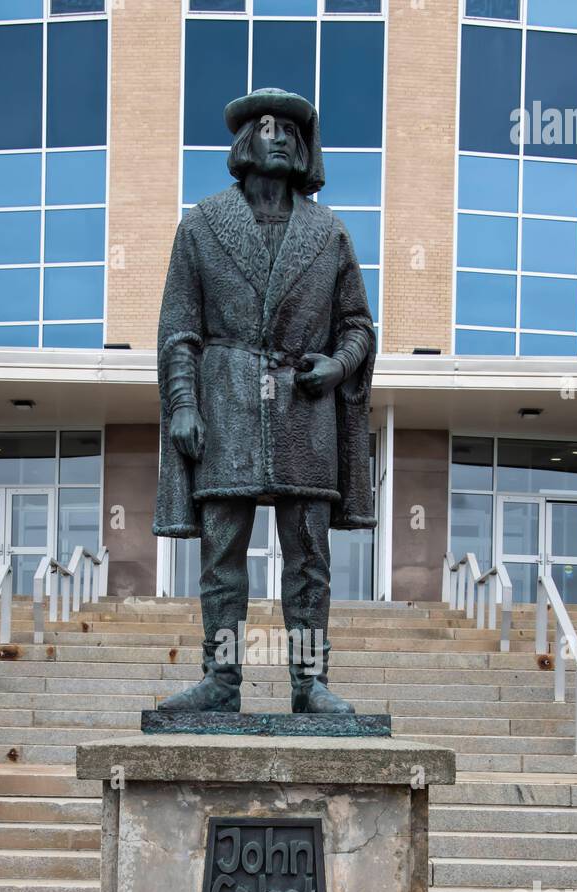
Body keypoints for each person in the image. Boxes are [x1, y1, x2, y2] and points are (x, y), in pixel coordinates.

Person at [153, 87, 376, 714]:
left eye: (290, 129)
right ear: (245, 142)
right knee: (222, 556)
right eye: (266, 125)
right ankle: (221, 681)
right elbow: (179, 330)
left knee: (309, 560)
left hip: (304, 413)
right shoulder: (200, 224)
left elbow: (358, 325)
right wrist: (184, 403)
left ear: (304, 149)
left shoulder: (328, 233)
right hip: (226, 404)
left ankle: (309, 683)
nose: (278, 135)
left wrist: (336, 365)